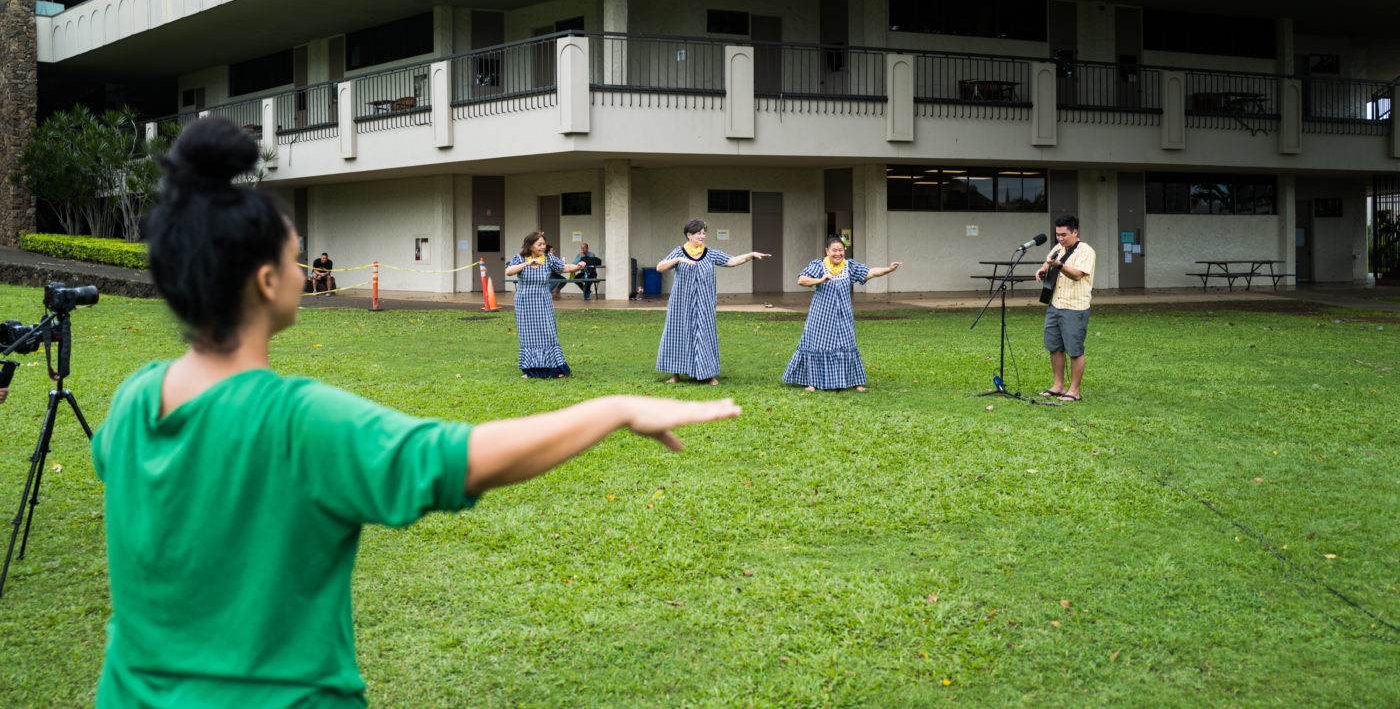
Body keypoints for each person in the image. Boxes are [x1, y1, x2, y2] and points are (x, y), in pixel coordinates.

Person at [90, 116, 741, 708]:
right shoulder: (298, 422)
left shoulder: (132, 403)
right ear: (266, 281)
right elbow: (459, 461)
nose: (303, 273)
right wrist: (616, 408)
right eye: (295, 260)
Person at [655, 218, 770, 385]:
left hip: (704, 304)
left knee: (706, 336)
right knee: (678, 335)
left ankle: (710, 374)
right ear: (689, 235)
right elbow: (660, 267)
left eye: (703, 233)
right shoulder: (678, 252)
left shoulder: (710, 254)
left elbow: (732, 261)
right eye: (698, 233)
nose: (702, 236)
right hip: (681, 304)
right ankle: (675, 375)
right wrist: (678, 260)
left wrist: (750, 255)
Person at [782, 236, 903, 392]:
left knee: (847, 344)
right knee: (818, 346)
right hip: (821, 316)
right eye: (834, 250)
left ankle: (855, 382)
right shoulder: (819, 266)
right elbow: (802, 280)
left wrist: (888, 269)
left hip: (844, 316)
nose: (838, 253)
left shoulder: (849, 266)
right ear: (827, 251)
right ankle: (813, 383)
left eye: (840, 250)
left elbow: (870, 272)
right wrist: (820, 280)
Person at [1033, 214, 1096, 401]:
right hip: (1055, 304)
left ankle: (1074, 391)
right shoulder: (1058, 247)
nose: (1060, 238)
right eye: (1057, 234)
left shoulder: (1086, 251)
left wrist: (1059, 265)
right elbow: (1048, 261)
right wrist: (1042, 269)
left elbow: (1077, 275)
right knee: (1054, 347)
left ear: (1075, 232)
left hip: (1075, 307)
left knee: (1075, 350)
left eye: (1064, 234)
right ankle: (1058, 386)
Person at [506, 232, 583, 378]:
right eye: (539, 244)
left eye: (544, 244)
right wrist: (527, 263)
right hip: (524, 302)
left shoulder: (548, 259)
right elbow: (509, 271)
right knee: (528, 335)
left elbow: (564, 268)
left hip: (543, 301)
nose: (543, 247)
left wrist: (578, 266)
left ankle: (555, 369)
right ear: (530, 245)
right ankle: (531, 370)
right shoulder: (519, 258)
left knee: (548, 334)